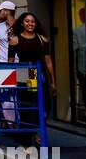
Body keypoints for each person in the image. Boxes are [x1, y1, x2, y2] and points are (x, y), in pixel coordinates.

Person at [9, 13, 55, 144]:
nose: (30, 24)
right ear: (22, 23)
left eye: (33, 21)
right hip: (25, 73)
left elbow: (48, 61)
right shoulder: (15, 39)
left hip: (39, 74)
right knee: (27, 106)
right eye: (27, 21)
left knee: (44, 105)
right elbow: (10, 62)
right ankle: (29, 135)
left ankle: (34, 131)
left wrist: (53, 82)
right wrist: (10, 81)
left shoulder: (42, 39)